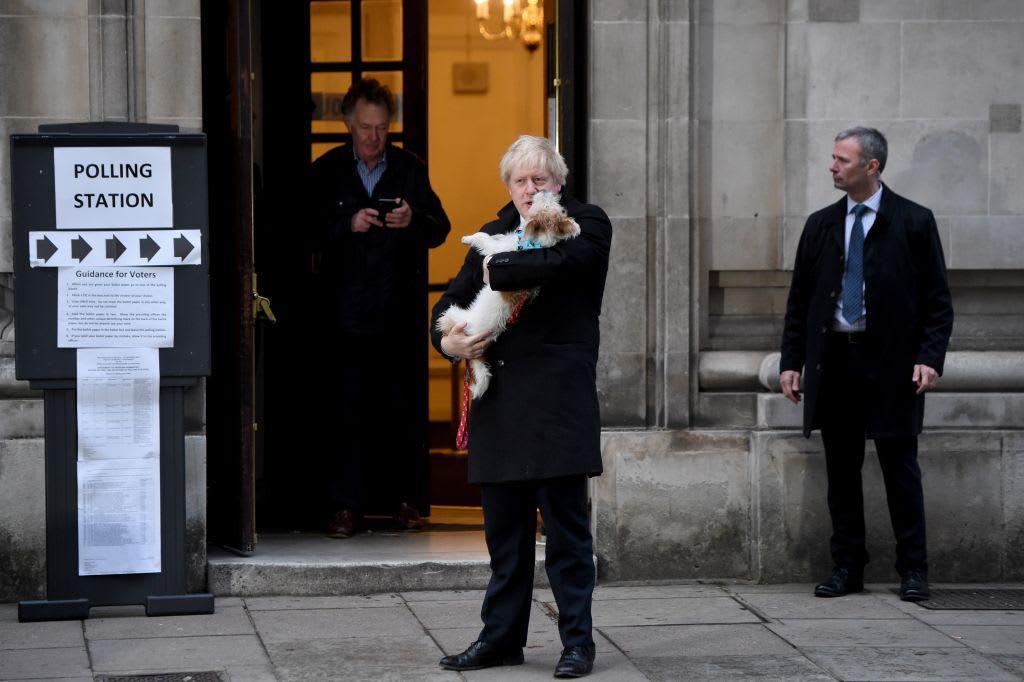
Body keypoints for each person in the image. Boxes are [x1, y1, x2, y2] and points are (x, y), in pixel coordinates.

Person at [431, 135, 611, 678]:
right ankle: (501, 639)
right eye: (519, 181)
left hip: (558, 403)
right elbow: (448, 302)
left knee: (567, 537)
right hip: (502, 402)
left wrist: (498, 264)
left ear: (559, 179)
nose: (530, 190)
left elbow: (553, 266)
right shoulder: (490, 234)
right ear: (508, 186)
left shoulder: (587, 223)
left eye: (539, 179)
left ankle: (577, 642)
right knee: (504, 538)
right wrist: (449, 342)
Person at [780, 127, 953, 602]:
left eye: (842, 160)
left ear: (871, 167)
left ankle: (913, 569)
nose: (832, 167)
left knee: (900, 468)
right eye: (833, 158)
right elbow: (800, 302)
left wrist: (929, 359)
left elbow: (938, 302)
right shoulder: (820, 225)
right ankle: (847, 567)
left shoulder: (914, 221)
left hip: (892, 366)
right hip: (835, 362)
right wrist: (791, 361)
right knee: (841, 471)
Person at [309, 78, 450, 538]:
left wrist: (412, 221)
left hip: (397, 312)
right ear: (348, 123)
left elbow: (439, 229)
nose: (373, 137)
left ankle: (405, 502)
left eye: (382, 128)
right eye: (366, 127)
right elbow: (300, 232)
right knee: (345, 412)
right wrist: (347, 223)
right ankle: (343, 508)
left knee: (402, 410)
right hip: (343, 314)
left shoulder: (409, 168)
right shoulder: (327, 170)